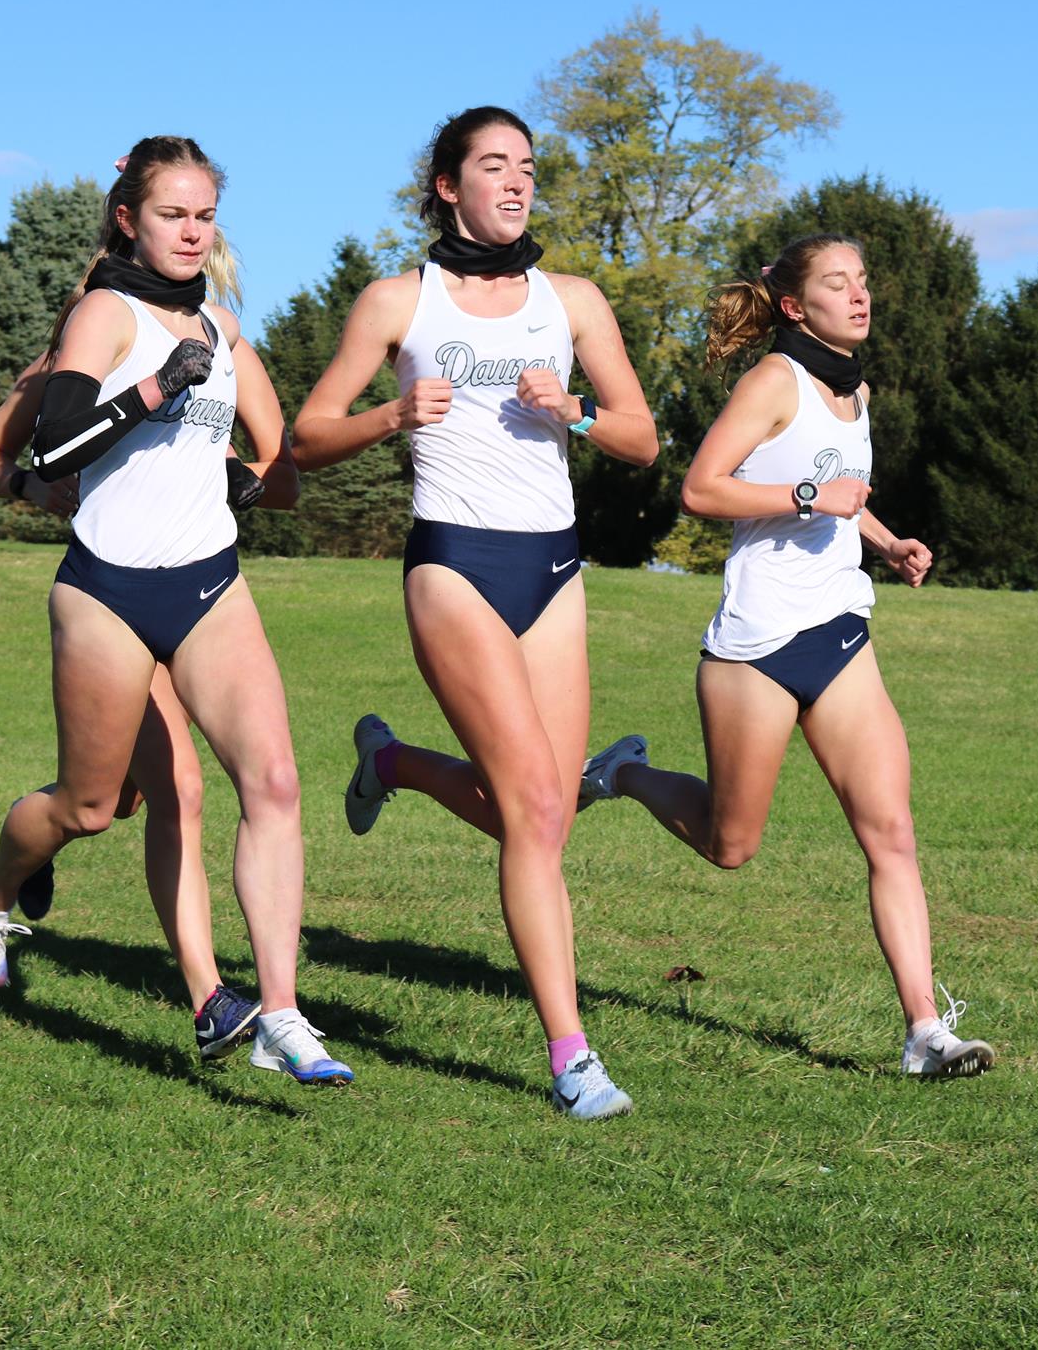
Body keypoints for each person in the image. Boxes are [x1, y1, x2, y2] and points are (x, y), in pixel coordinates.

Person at [0, 135, 352, 1086]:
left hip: (210, 581)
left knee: (273, 784)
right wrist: (148, 391)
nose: (193, 231)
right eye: (174, 213)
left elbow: (284, 473)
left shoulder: (223, 331)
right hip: (108, 590)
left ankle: (273, 1011)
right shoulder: (100, 312)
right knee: (96, 806)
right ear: (130, 217)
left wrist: (244, 487)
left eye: (206, 215)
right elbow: (43, 449)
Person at [292, 106, 659, 1119]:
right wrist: (390, 413)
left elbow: (642, 438)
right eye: (492, 165)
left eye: (527, 167)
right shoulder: (397, 302)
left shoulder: (570, 300)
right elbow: (306, 437)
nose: (515, 182)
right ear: (446, 185)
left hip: (555, 569)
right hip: (452, 563)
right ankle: (571, 1053)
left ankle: (392, 762)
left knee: (539, 817)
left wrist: (573, 411)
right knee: (536, 812)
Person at [571, 235, 994, 1080]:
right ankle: (624, 772)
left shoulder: (855, 388)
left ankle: (924, 1031)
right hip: (756, 649)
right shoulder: (774, 382)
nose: (860, 296)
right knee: (731, 844)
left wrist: (883, 538)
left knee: (892, 833)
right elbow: (701, 488)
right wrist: (808, 496)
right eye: (838, 284)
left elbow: (842, 488)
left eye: (864, 281)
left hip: (839, 631)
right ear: (796, 307)